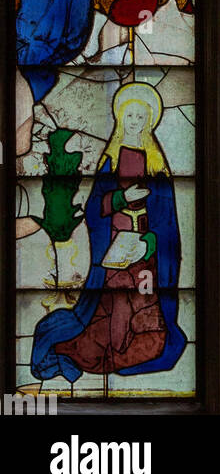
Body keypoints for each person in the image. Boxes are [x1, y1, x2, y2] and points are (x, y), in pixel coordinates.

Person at [31, 83, 186, 384]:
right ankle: (112, 346)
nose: (135, 122)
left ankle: (130, 346)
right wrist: (120, 200)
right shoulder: (110, 163)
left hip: (145, 258)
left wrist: (150, 244)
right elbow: (93, 211)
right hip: (115, 251)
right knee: (110, 326)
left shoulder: (157, 166)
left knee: (149, 329)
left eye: (141, 117)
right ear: (120, 118)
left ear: (149, 121)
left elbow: (167, 221)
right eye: (130, 116)